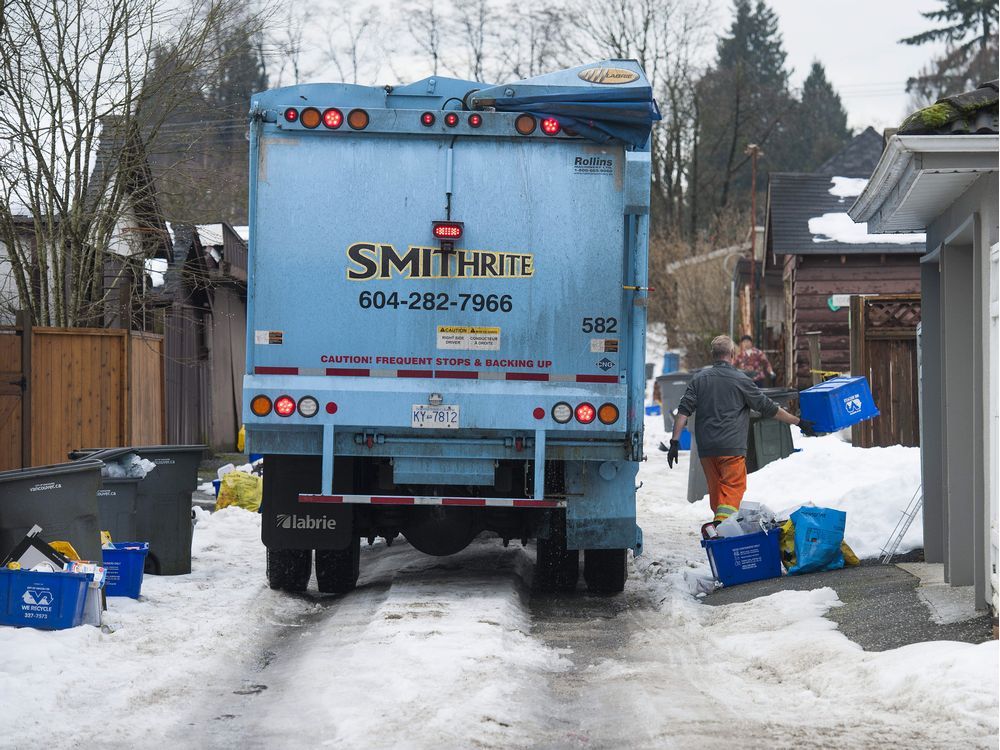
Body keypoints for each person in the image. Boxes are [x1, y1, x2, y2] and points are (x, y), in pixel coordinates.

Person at [666, 335, 816, 525]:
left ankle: (721, 528)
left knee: (717, 492)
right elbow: (768, 408)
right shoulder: (741, 380)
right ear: (732, 354)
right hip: (731, 447)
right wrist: (798, 422)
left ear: (713, 355)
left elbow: (683, 412)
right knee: (732, 489)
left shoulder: (699, 380)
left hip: (706, 450)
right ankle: (724, 529)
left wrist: (674, 442)